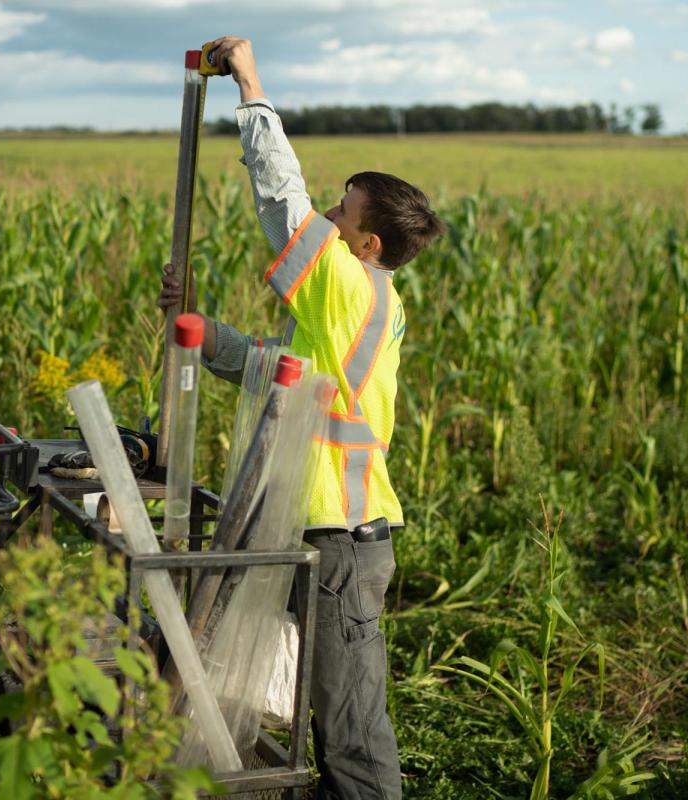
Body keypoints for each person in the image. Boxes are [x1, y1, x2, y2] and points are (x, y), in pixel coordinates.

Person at [157, 36, 446, 800]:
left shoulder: (353, 288)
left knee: (350, 734)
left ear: (368, 242)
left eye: (340, 213)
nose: (325, 215)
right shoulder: (347, 307)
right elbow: (281, 375)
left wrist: (250, 84)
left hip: (342, 545)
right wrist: (203, 333)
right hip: (315, 535)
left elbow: (282, 203)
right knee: (310, 711)